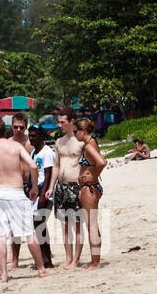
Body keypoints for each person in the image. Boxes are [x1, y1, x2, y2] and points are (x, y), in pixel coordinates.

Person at [0, 115, 45, 284]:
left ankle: (4, 274)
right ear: (5, 130)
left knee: (1, 235)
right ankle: (41, 269)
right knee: (29, 232)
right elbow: (33, 166)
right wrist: (34, 187)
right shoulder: (15, 146)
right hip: (17, 192)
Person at [51, 106, 85, 269]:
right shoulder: (59, 141)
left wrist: (84, 186)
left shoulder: (81, 141)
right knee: (64, 225)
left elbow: (87, 165)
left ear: (72, 121)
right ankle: (68, 258)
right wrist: (51, 186)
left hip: (76, 186)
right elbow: (56, 165)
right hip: (61, 187)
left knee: (77, 224)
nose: (60, 125)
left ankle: (76, 260)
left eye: (62, 122)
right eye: (59, 122)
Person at [73, 117, 107, 269]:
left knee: (91, 225)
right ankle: (95, 260)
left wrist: (93, 176)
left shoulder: (88, 146)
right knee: (92, 224)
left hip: (90, 188)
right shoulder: (92, 142)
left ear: (83, 131)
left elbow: (102, 162)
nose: (74, 135)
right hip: (92, 187)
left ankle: (95, 262)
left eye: (76, 131)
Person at [29, 126, 56, 269]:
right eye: (30, 136)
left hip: (44, 193)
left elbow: (48, 175)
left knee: (39, 223)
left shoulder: (47, 152)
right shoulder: (34, 152)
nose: (31, 138)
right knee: (38, 225)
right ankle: (45, 257)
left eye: (34, 136)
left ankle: (46, 258)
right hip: (36, 192)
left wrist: (42, 196)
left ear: (41, 136)